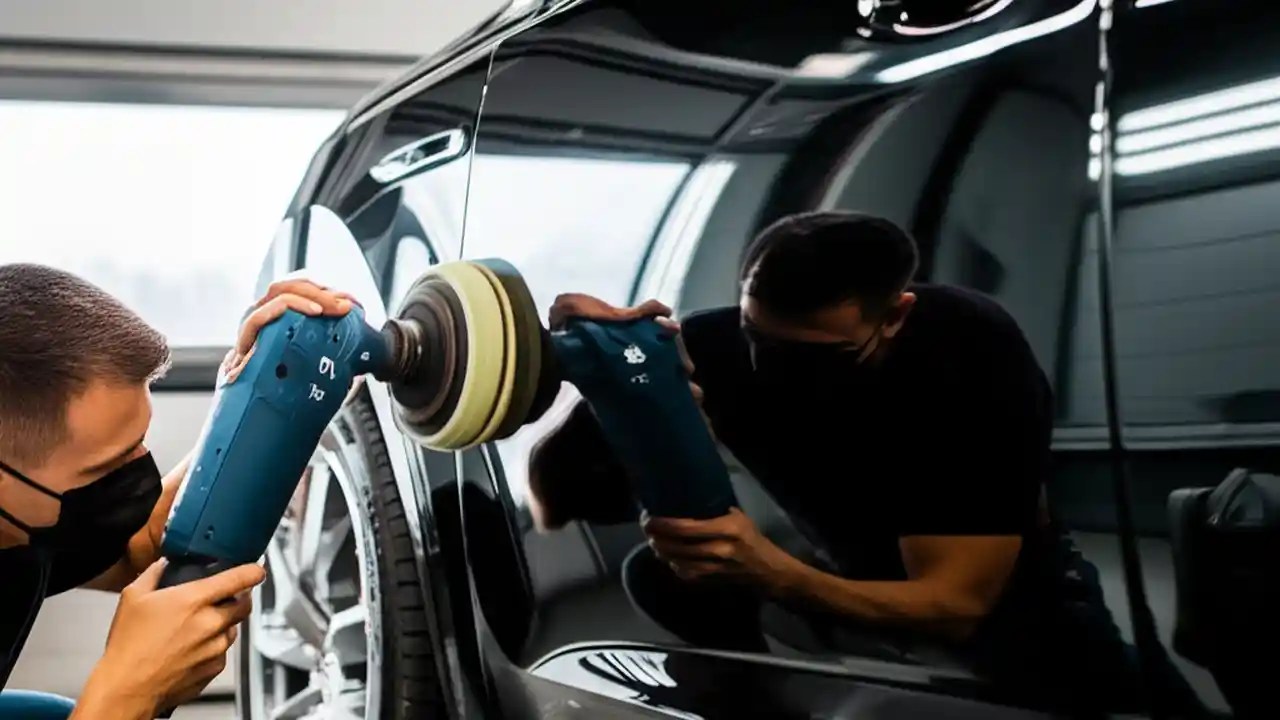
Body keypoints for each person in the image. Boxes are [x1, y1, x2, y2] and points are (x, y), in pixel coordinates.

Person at [528, 210, 1201, 716]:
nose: (776, 374)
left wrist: (770, 570)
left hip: (1009, 605)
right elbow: (554, 494)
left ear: (896, 314)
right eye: (759, 341)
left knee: (1143, 709)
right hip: (838, 574)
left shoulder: (970, 351)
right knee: (660, 573)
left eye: (813, 357)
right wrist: (597, 359)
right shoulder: (716, 342)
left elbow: (957, 605)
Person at [0, 264, 356, 718]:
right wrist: (131, 689)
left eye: (136, 447)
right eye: (106, 466)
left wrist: (259, 398)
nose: (136, 479)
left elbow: (142, 546)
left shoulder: (26, 524)